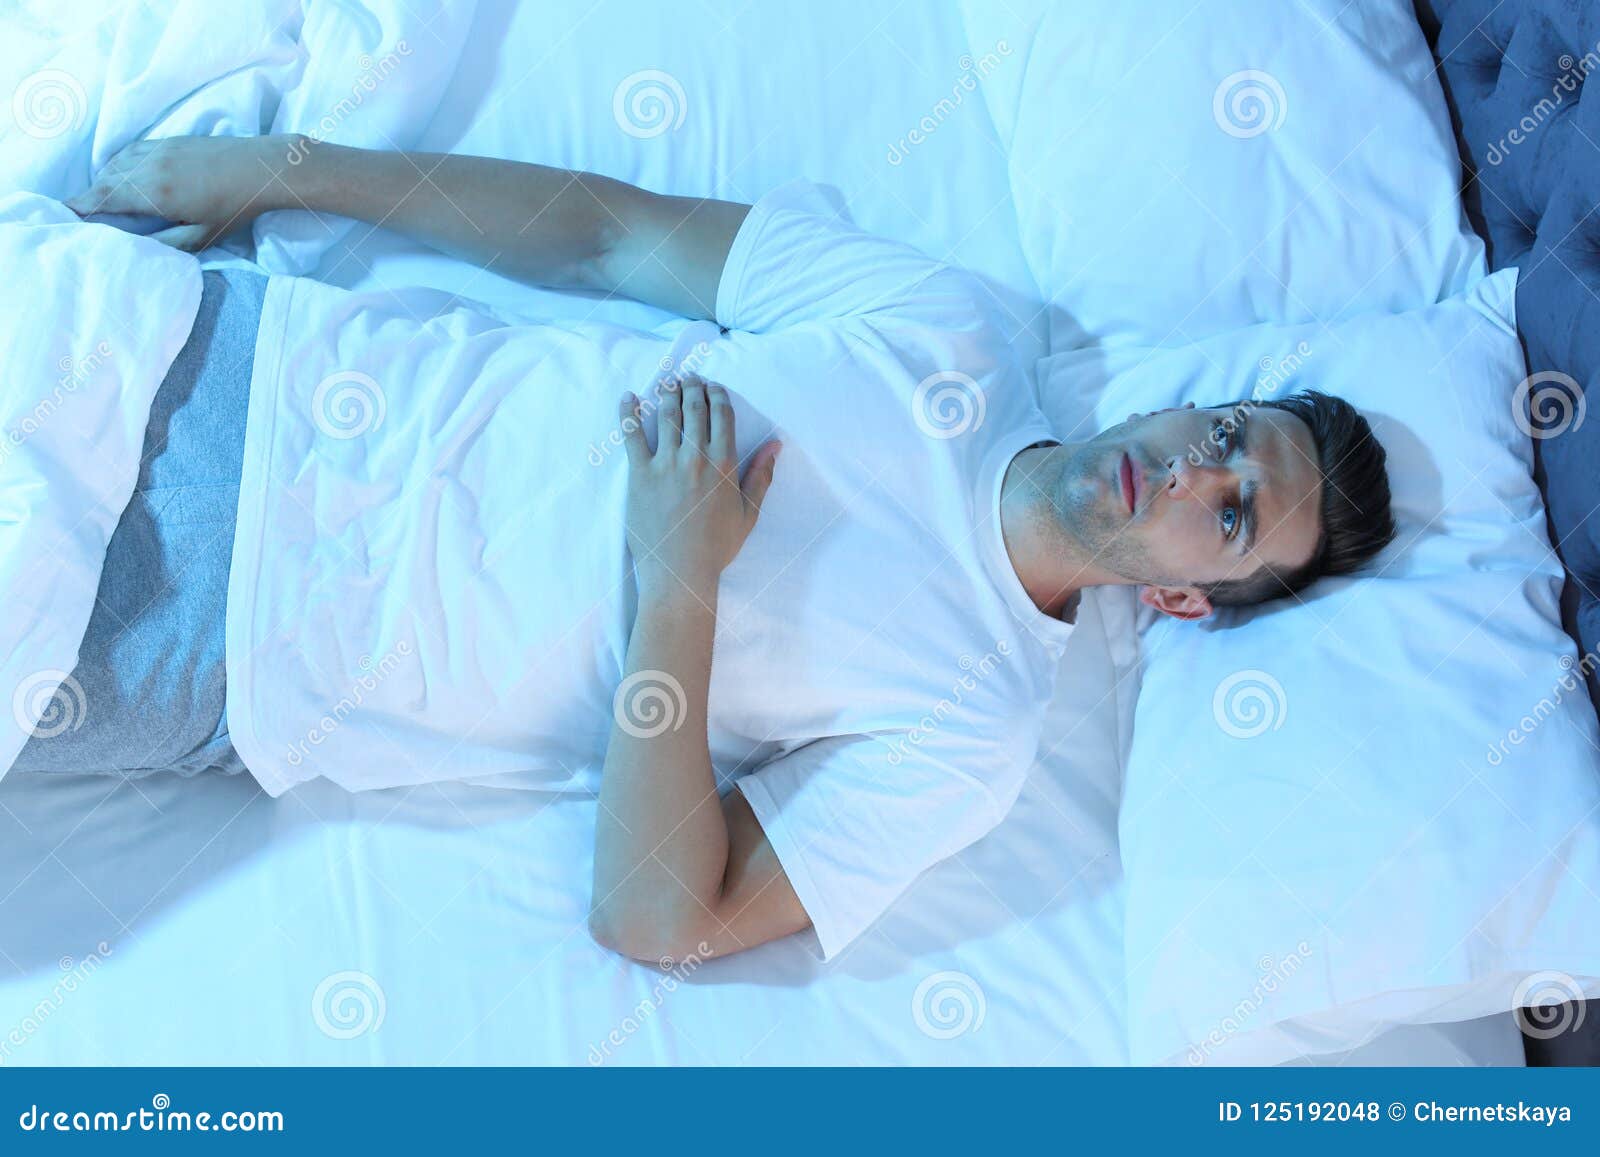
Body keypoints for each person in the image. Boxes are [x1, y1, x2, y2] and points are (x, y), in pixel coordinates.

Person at [49, 135, 1394, 964]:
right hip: (233, 360)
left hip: (226, 635)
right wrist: (287, 166)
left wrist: (678, 580)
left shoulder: (975, 729)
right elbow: (607, 228)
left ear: (1181, 597)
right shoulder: (952, 330)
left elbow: (659, 917)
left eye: (1230, 512)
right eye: (1224, 428)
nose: (1192, 466)